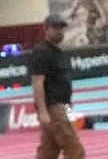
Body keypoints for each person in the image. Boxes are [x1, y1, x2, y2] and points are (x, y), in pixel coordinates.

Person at [27, 14, 82, 159]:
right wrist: (43, 111)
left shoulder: (57, 52)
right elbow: (37, 82)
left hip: (62, 107)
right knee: (75, 149)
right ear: (46, 29)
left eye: (61, 27)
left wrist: (69, 106)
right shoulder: (41, 51)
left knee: (48, 152)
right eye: (55, 27)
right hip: (54, 108)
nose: (59, 30)